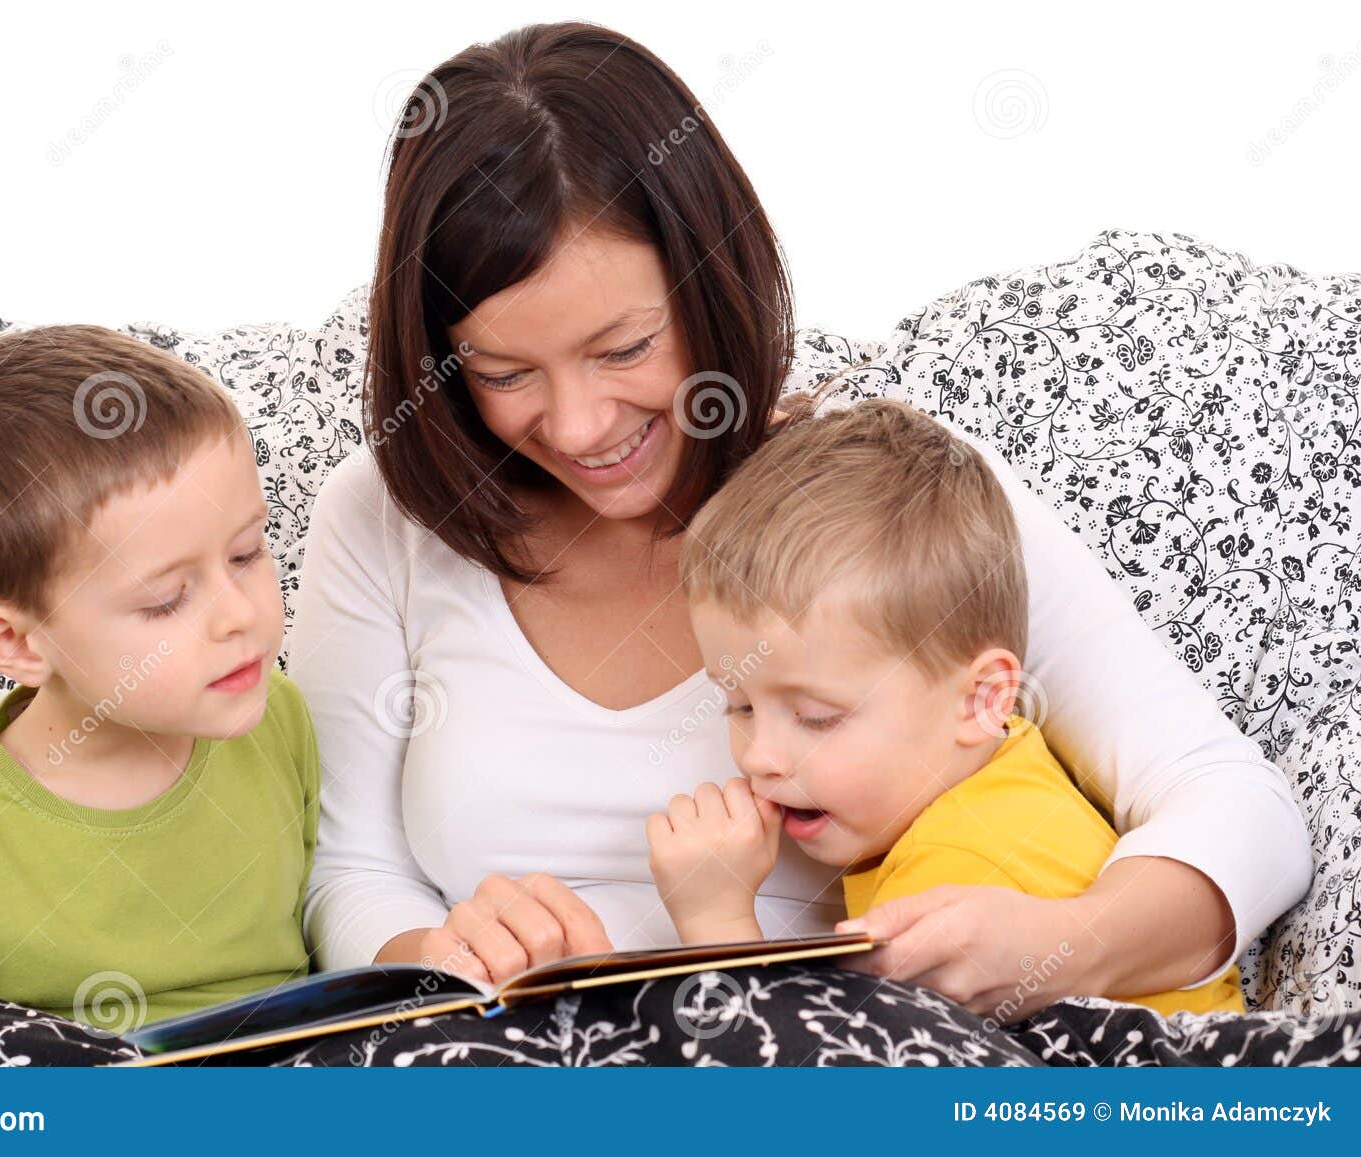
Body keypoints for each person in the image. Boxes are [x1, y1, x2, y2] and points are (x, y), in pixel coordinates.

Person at [287, 21, 1310, 1018]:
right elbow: (349, 870)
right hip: (502, 1064)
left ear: (712, 279)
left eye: (625, 347)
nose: (580, 423)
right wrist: (444, 959)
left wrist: (1056, 947)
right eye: (506, 372)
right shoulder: (386, 518)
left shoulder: (884, 508)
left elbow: (1239, 809)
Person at [646, 398, 1244, 1015]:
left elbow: (826, 1089)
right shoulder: (1001, 773)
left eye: (816, 717)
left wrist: (715, 920)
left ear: (982, 699)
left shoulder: (954, 875)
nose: (761, 758)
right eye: (738, 706)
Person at [0, 326, 320, 1029]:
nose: (240, 614)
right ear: (20, 643)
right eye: (165, 599)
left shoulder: (283, 719)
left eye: (246, 552)